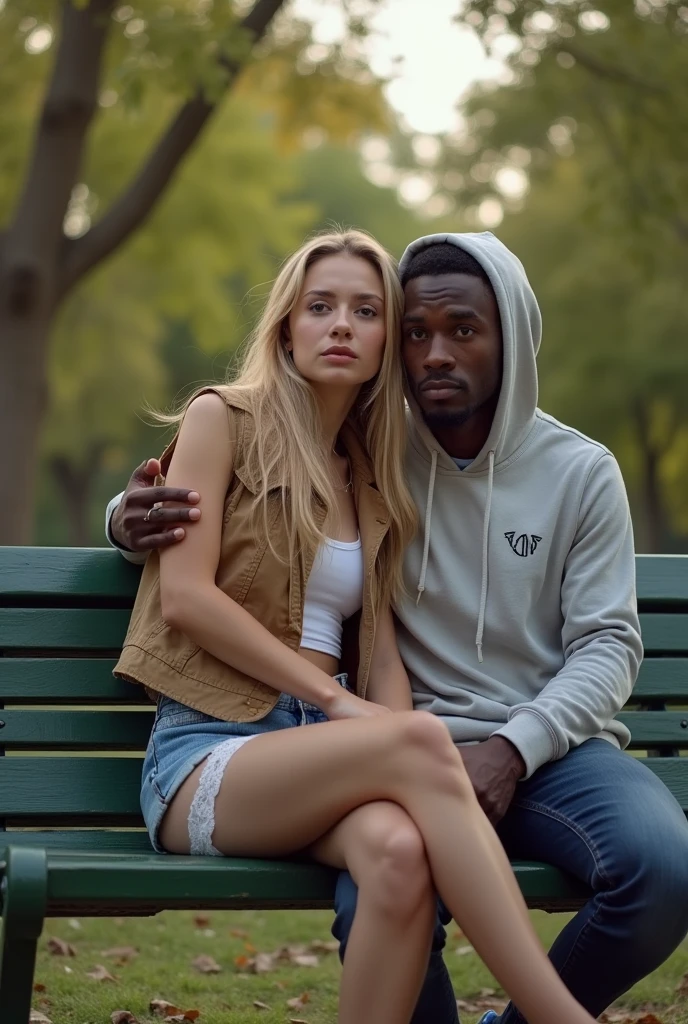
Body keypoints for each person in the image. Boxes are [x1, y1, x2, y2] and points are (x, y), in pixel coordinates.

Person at [107, 231, 688, 1024]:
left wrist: (509, 745)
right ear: (290, 324)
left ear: (512, 337)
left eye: (462, 329)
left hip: (488, 747)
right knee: (407, 789)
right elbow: (197, 557)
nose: (435, 352)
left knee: (417, 853)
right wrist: (124, 518)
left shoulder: (504, 468)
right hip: (297, 739)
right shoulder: (331, 439)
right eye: (417, 330)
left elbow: (600, 644)